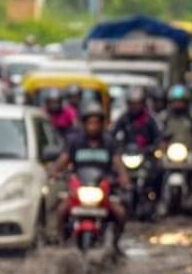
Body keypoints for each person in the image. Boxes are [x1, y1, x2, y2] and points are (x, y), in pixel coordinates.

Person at [48, 102, 131, 252]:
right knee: (60, 211)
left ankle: (116, 244)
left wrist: (124, 178)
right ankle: (61, 242)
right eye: (90, 122)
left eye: (96, 122)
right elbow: (64, 159)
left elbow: (118, 163)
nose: (93, 126)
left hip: (102, 189)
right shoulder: (75, 142)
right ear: (84, 123)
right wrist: (54, 172)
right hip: (79, 189)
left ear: (102, 124)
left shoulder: (109, 143)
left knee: (120, 213)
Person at [160, 85, 192, 208]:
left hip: (190, 150)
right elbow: (158, 132)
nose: (178, 104)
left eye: (181, 101)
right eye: (175, 101)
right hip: (169, 151)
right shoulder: (164, 117)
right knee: (155, 167)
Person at [110, 87, 161, 152]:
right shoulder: (124, 118)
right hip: (127, 153)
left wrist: (155, 146)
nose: (135, 106)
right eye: (132, 103)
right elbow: (112, 133)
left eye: (138, 103)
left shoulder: (150, 118)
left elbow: (158, 135)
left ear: (143, 103)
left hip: (147, 154)